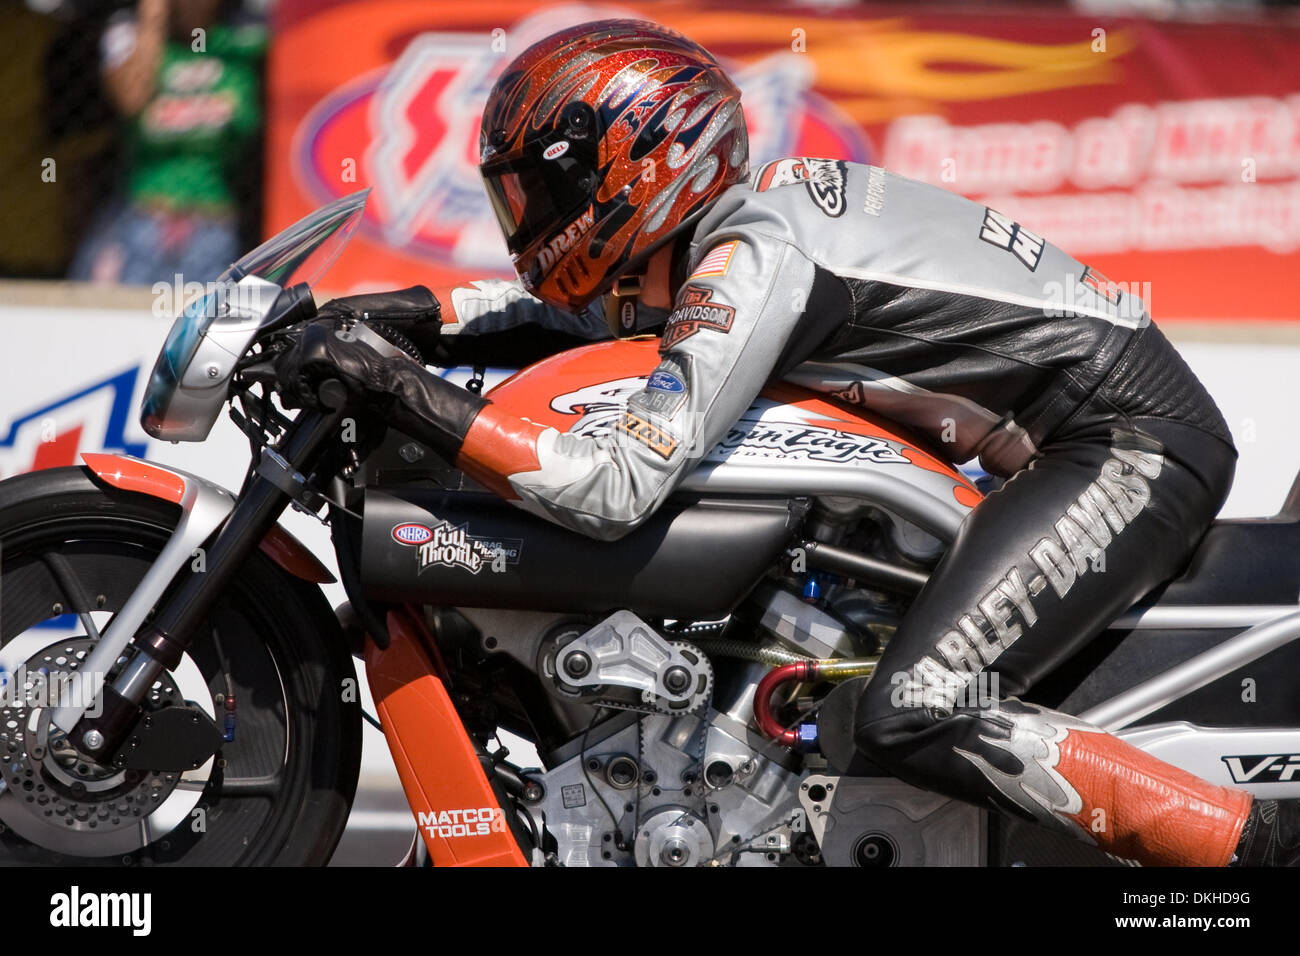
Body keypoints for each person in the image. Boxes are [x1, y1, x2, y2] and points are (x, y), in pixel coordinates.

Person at [275, 19, 1298, 866]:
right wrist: (420, 315)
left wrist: (403, 389)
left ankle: (1257, 846)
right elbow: (592, 325)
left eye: (544, 191)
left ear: (637, 161)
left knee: (919, 707)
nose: (528, 220)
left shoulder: (751, 255)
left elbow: (617, 483)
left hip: (1127, 441)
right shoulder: (735, 233)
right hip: (1081, 432)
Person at [69, 0, 265, 285]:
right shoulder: (132, 38)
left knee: (204, 325)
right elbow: (132, 97)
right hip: (142, 225)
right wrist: (152, 16)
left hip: (213, 226)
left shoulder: (243, 41)